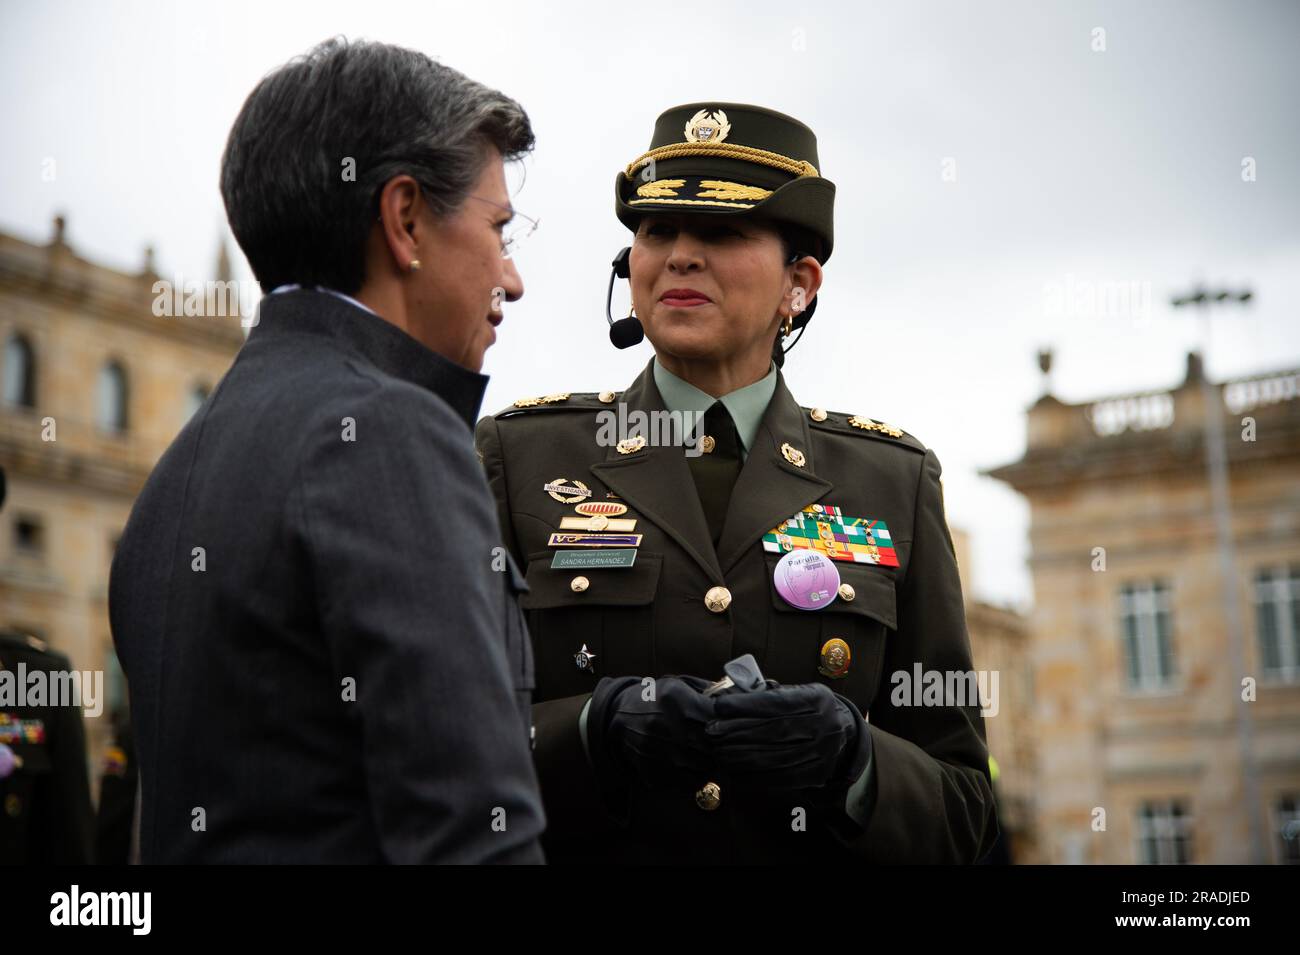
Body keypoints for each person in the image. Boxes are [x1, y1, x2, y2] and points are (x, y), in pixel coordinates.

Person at [475, 102, 999, 863]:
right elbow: (442, 742)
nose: (680, 256)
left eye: (721, 233)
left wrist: (855, 762)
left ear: (800, 284)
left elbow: (965, 806)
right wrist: (592, 728)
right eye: (656, 232)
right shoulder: (523, 457)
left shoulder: (892, 480)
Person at [110, 37, 545, 863]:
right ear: (406, 218)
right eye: (500, 229)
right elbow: (475, 836)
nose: (512, 280)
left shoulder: (175, 473)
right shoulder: (389, 434)